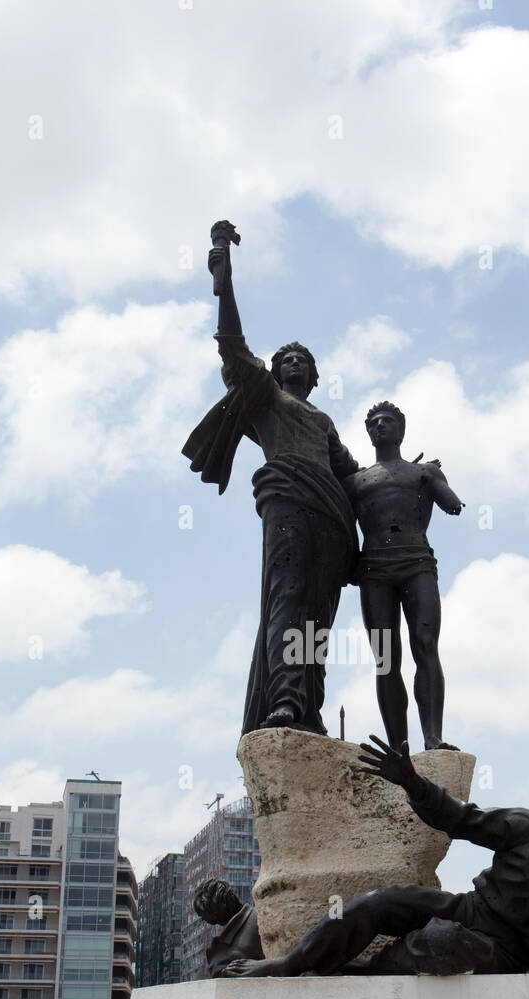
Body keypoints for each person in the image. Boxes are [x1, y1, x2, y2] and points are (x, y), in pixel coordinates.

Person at [224, 736, 529, 987]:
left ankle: (359, 977)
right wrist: (412, 781)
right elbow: (461, 819)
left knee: (444, 944)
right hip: (470, 908)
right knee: (379, 902)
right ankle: (291, 964)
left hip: (505, 953)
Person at [183, 225, 359, 735]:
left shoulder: (323, 422)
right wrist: (224, 275)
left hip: (333, 519)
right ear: (277, 373)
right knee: (288, 600)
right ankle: (284, 700)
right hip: (287, 504)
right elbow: (233, 345)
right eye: (287, 359)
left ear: (316, 377)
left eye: (304, 359)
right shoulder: (266, 398)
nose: (296, 363)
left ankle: (311, 707)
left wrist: (405, 478)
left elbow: (352, 475)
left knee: (318, 621)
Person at [344, 401, 463, 750]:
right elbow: (341, 527)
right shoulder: (356, 481)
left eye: (388, 421)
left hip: (417, 563)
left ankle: (433, 737)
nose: (380, 426)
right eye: (374, 423)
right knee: (385, 657)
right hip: (374, 569)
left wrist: (430, 476)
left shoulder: (424, 473)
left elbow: (453, 505)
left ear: (401, 429)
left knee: (425, 644)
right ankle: (399, 748)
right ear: (369, 434)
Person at [194, 878, 264, 977]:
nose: (202, 919)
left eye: (202, 913)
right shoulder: (256, 916)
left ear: (214, 911)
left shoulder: (259, 919)